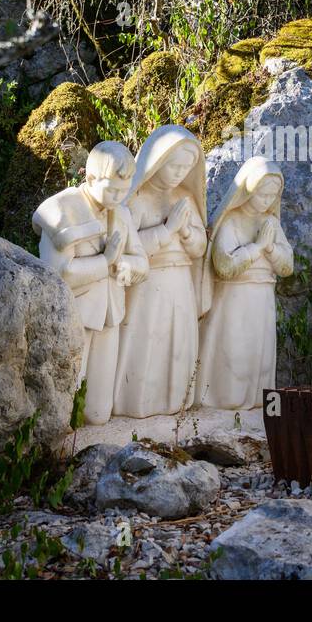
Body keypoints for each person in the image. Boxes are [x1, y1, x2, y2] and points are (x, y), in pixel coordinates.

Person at [32, 141, 147, 425]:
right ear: (91, 178)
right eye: (112, 189)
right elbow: (58, 274)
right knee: (64, 404)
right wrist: (105, 261)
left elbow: (142, 262)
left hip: (110, 316)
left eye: (125, 189)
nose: (119, 197)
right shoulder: (62, 210)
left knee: (97, 412)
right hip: (74, 316)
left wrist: (125, 267)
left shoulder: (121, 213)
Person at [114, 125, 210, 417]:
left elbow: (200, 247)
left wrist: (187, 235)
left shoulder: (186, 199)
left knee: (178, 340)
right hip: (148, 284)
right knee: (146, 339)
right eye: (174, 165)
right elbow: (127, 247)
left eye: (186, 167)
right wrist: (167, 230)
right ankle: (137, 402)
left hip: (180, 280)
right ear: (157, 160)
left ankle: (173, 400)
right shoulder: (137, 199)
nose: (180, 172)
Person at [195, 157, 294, 409]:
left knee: (259, 356)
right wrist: (257, 247)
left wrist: (270, 248)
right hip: (234, 299)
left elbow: (287, 266)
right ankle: (225, 403)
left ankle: (256, 403)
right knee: (233, 352)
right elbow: (225, 266)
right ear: (248, 189)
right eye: (263, 194)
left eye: (273, 195)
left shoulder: (271, 222)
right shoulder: (231, 221)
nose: (267, 201)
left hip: (262, 298)